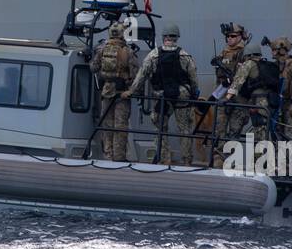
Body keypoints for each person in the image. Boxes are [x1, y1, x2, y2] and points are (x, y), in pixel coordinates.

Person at [125, 23, 205, 166]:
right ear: (177, 38)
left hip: (162, 96)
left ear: (164, 37)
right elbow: (193, 77)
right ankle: (187, 161)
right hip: (181, 96)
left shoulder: (153, 55)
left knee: (160, 127)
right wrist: (194, 93)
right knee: (184, 129)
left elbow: (141, 75)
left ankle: (164, 158)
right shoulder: (184, 55)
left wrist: (131, 91)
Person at [90, 20, 140, 161]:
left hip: (107, 92)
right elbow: (136, 76)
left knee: (107, 125)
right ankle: (119, 158)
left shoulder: (102, 49)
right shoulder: (128, 52)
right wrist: (130, 91)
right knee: (120, 126)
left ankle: (108, 155)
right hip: (122, 93)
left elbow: (93, 68)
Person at [222, 42, 281, 146]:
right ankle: (265, 158)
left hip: (257, 101)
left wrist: (227, 97)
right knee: (263, 131)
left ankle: (258, 158)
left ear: (248, 54)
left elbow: (238, 81)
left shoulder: (248, 64)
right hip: (269, 101)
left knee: (257, 131)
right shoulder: (267, 65)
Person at [210, 21, 249, 96]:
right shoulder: (225, 51)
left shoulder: (244, 52)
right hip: (221, 89)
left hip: (236, 92)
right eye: (227, 36)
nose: (229, 38)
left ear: (240, 36)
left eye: (233, 36)